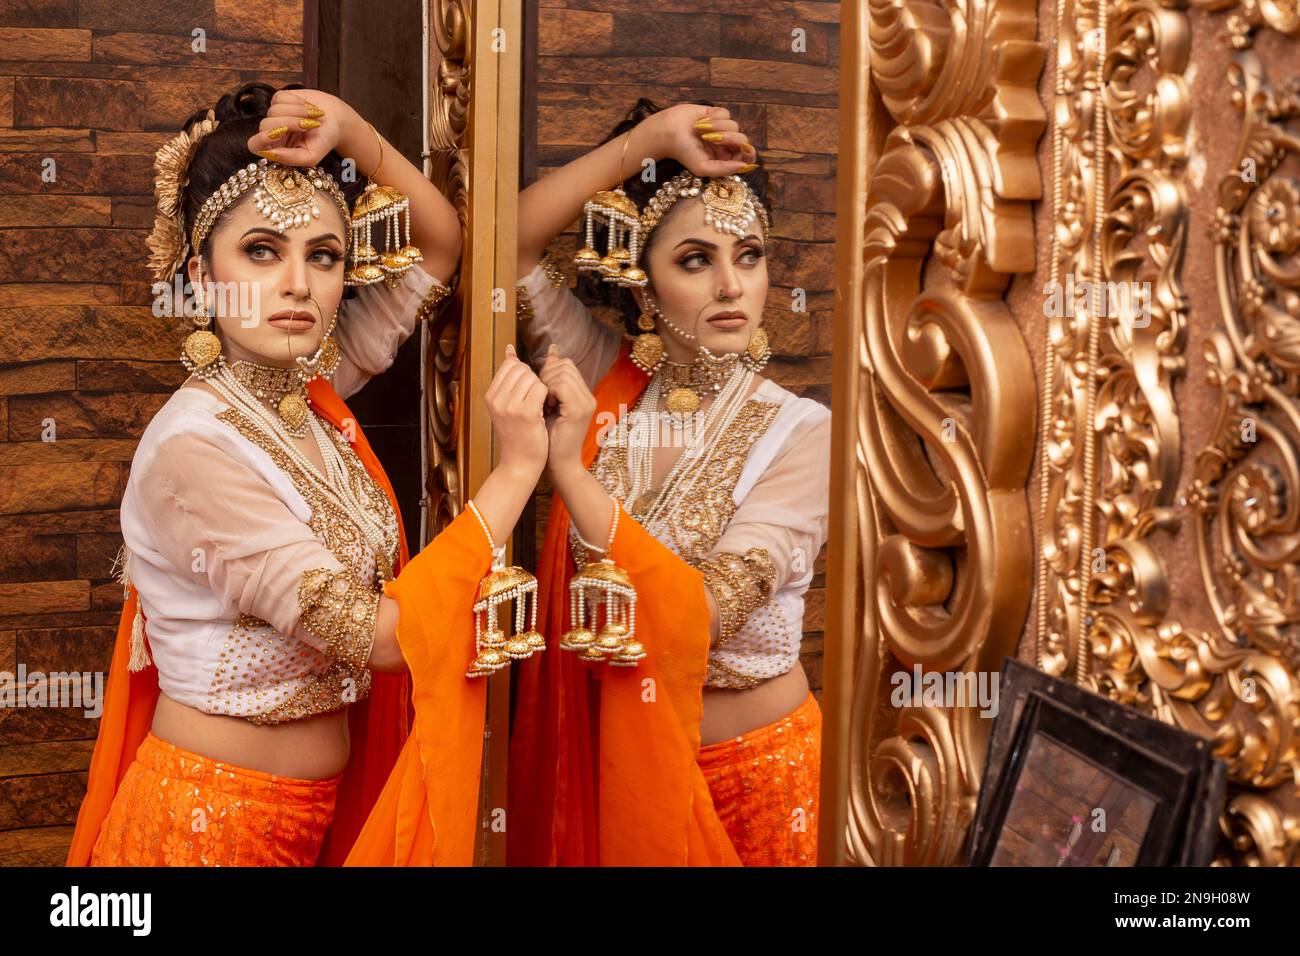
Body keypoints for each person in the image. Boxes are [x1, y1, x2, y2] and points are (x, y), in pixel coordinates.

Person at [65, 82, 549, 867]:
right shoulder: (195, 450)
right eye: (261, 251)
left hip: (313, 820)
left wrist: (353, 128)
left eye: (322, 256)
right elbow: (380, 639)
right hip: (206, 829)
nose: (297, 283)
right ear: (200, 272)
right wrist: (519, 468)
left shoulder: (309, 399)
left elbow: (441, 248)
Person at [507, 100, 831, 866]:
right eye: (695, 260)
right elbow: (509, 242)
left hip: (753, 780)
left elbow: (700, 613)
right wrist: (648, 141)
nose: (731, 286)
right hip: (613, 762)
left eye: (748, 255)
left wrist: (566, 473)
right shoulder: (609, 380)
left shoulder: (802, 433)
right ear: (643, 283)